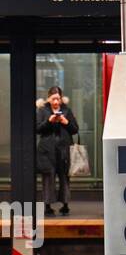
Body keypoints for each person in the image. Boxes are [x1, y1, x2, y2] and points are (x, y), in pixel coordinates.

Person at [36, 85, 79, 216]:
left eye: (58, 99)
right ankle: (47, 206)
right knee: (48, 177)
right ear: (48, 99)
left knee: (64, 177)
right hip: (47, 150)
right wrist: (49, 121)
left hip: (64, 149)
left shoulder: (67, 110)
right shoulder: (42, 111)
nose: (56, 102)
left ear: (61, 99)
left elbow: (75, 129)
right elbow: (37, 129)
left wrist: (65, 121)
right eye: (53, 99)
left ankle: (65, 205)